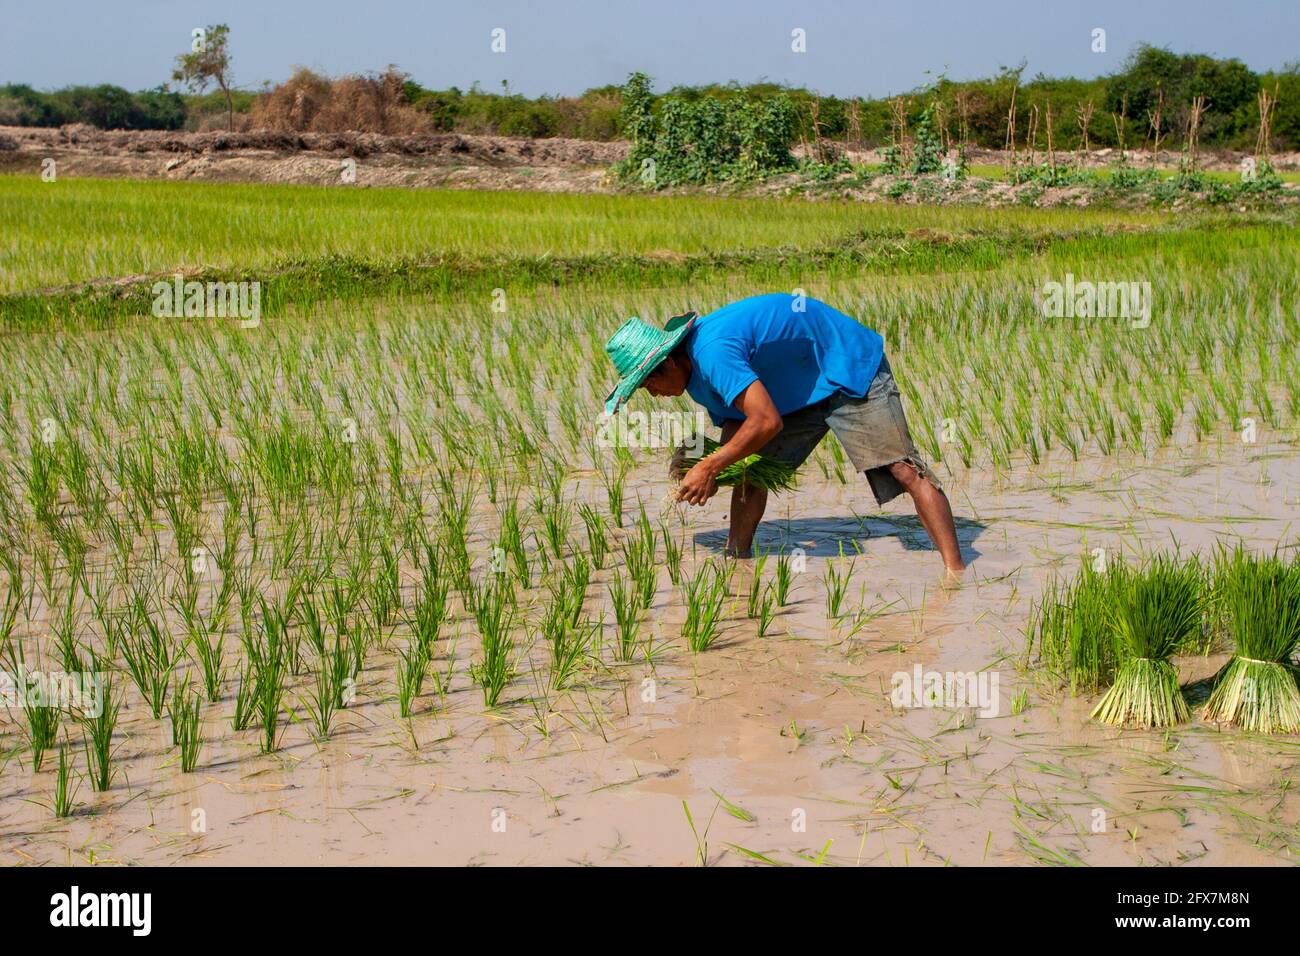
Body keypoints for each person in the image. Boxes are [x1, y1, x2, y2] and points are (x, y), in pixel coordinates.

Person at [602, 292, 964, 573]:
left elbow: (766, 423)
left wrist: (710, 466)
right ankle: (736, 560)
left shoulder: (712, 355)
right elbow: (738, 425)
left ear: (667, 362)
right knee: (749, 471)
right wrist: (719, 467)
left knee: (904, 470)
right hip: (795, 391)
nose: (652, 393)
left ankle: (956, 574)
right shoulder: (696, 380)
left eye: (648, 382)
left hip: (842, 366)